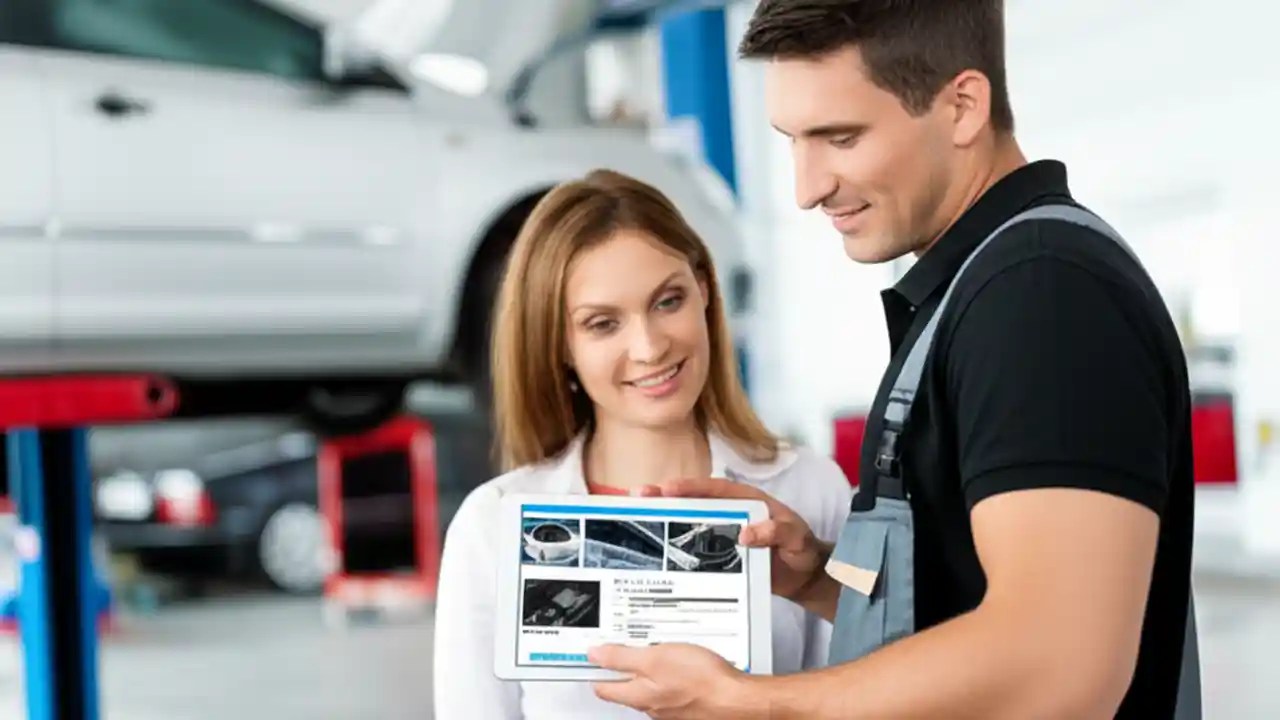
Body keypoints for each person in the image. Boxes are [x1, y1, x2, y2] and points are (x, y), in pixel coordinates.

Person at [588, 2, 1199, 719]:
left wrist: (751, 702)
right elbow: (965, 598)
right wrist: (819, 575)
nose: (807, 187)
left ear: (963, 106)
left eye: (839, 138)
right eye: (792, 141)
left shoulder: (1043, 293)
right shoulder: (980, 290)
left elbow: (1057, 663)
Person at [431, 168, 854, 719]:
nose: (650, 347)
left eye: (667, 301)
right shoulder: (492, 526)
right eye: (603, 324)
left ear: (704, 289)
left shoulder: (810, 490)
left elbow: (867, 693)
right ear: (560, 345)